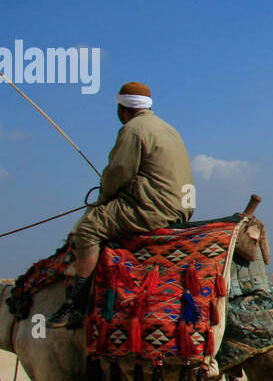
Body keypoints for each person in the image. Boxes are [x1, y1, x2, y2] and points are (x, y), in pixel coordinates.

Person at [50, 82, 195, 328]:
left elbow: (119, 172)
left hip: (155, 207)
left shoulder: (132, 130)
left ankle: (76, 304)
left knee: (87, 229)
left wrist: (103, 199)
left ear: (123, 109)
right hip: (183, 205)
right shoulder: (169, 129)